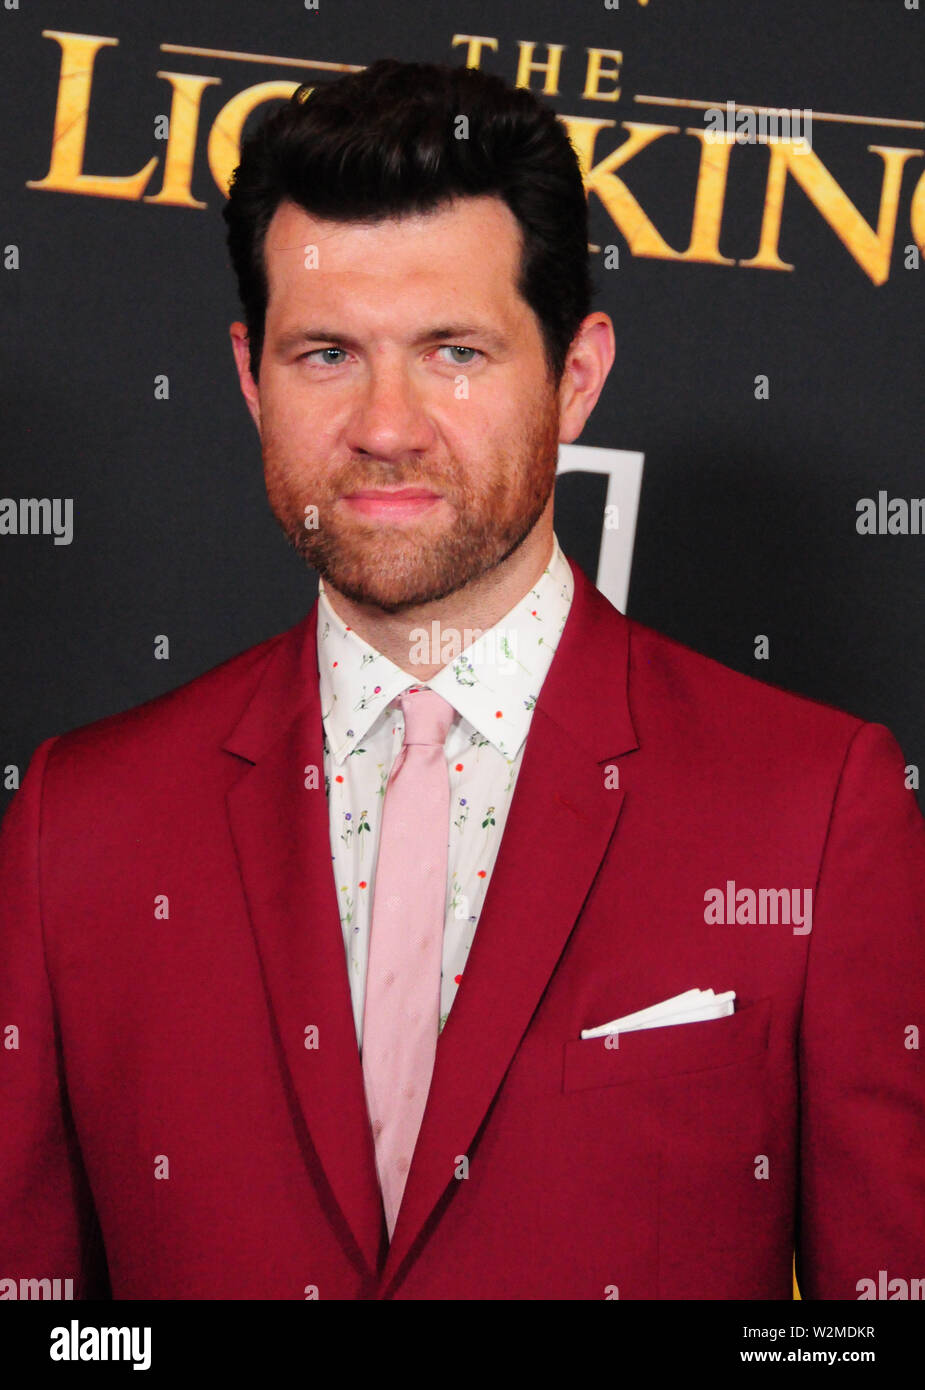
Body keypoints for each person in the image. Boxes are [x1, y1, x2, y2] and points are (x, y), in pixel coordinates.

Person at [1, 58, 923, 1302]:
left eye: (453, 351)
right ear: (246, 378)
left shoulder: (814, 809)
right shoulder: (80, 823)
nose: (387, 425)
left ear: (576, 377)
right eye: (326, 353)